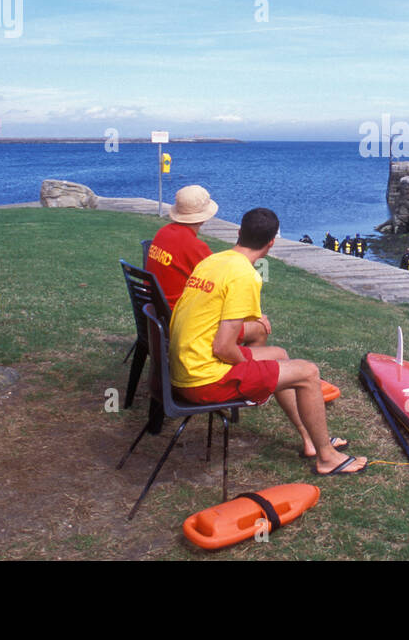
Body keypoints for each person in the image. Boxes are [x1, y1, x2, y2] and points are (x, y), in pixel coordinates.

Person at [169, 208, 366, 475]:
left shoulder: (213, 261)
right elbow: (223, 347)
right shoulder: (244, 275)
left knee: (278, 355)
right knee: (308, 372)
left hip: (186, 368)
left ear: (238, 233)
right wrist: (249, 371)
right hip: (202, 380)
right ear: (271, 242)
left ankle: (310, 440)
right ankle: (327, 457)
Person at [148, 184, 218, 309]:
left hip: (155, 310)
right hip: (179, 315)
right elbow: (219, 279)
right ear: (203, 218)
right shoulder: (195, 246)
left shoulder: (162, 232)